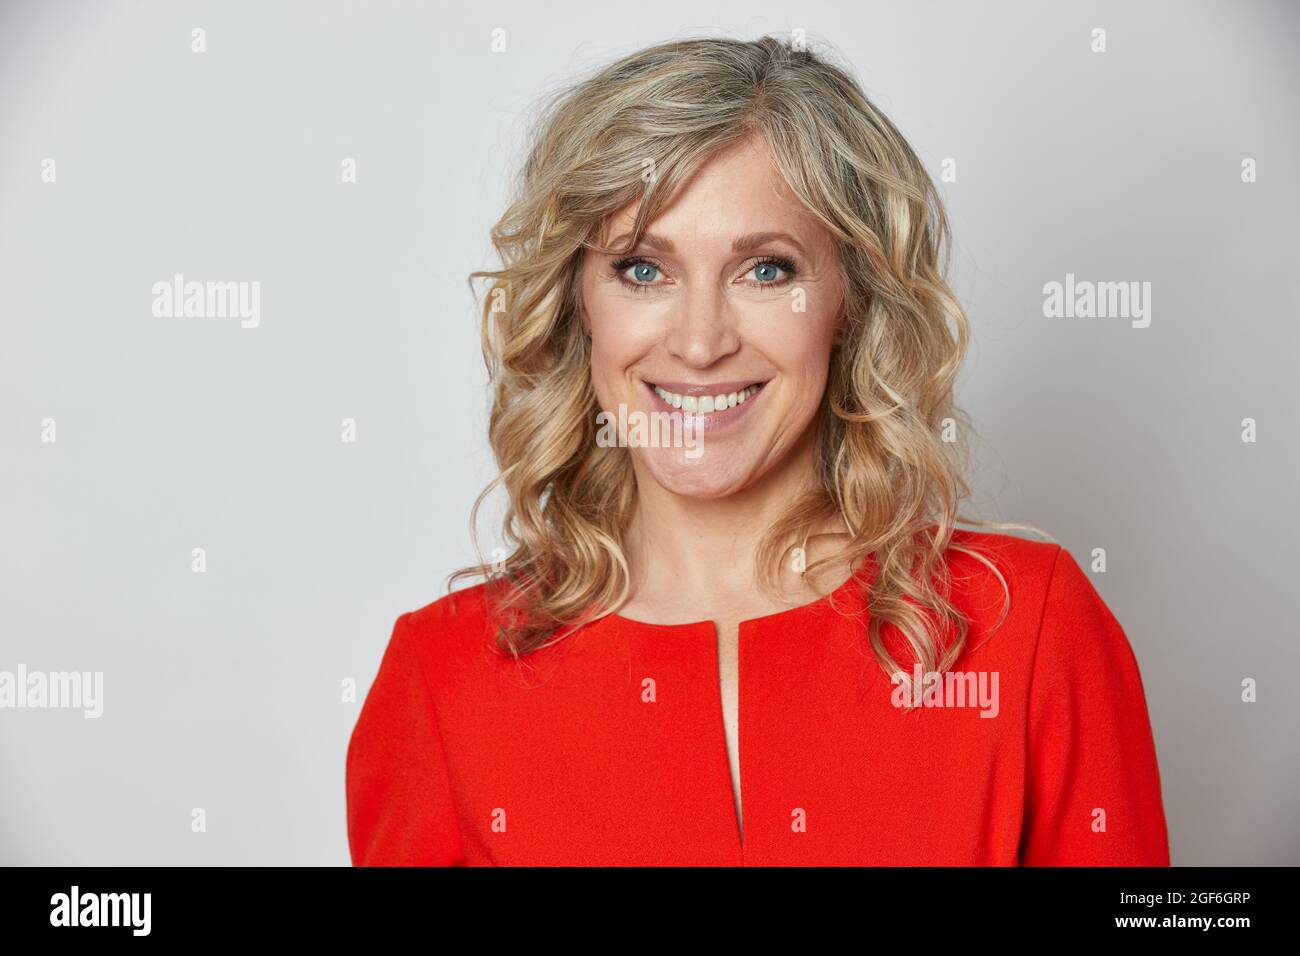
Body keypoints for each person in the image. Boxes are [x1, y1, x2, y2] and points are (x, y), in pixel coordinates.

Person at [345, 35, 1170, 866]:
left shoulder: (1027, 629)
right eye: (641, 268)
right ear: (575, 303)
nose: (700, 343)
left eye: (767, 271)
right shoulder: (443, 679)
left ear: (851, 300)